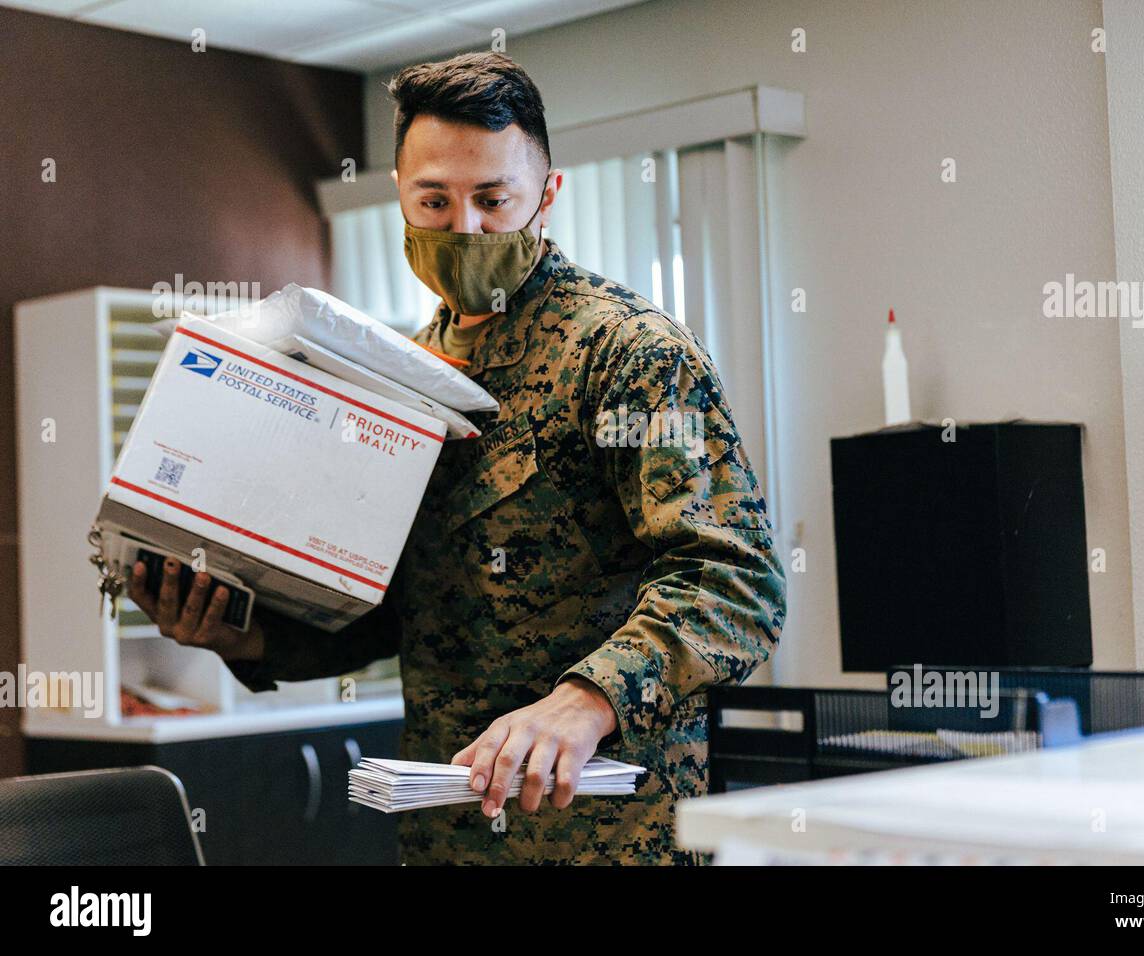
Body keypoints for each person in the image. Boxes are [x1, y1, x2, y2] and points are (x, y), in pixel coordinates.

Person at [128, 51, 786, 865]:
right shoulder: (398, 377)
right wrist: (239, 634)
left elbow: (735, 582)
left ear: (547, 196)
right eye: (434, 200)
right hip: (450, 833)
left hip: (609, 837)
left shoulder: (627, 354)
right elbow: (393, 608)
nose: (464, 228)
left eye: (492, 199)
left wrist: (585, 700)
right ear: (398, 195)